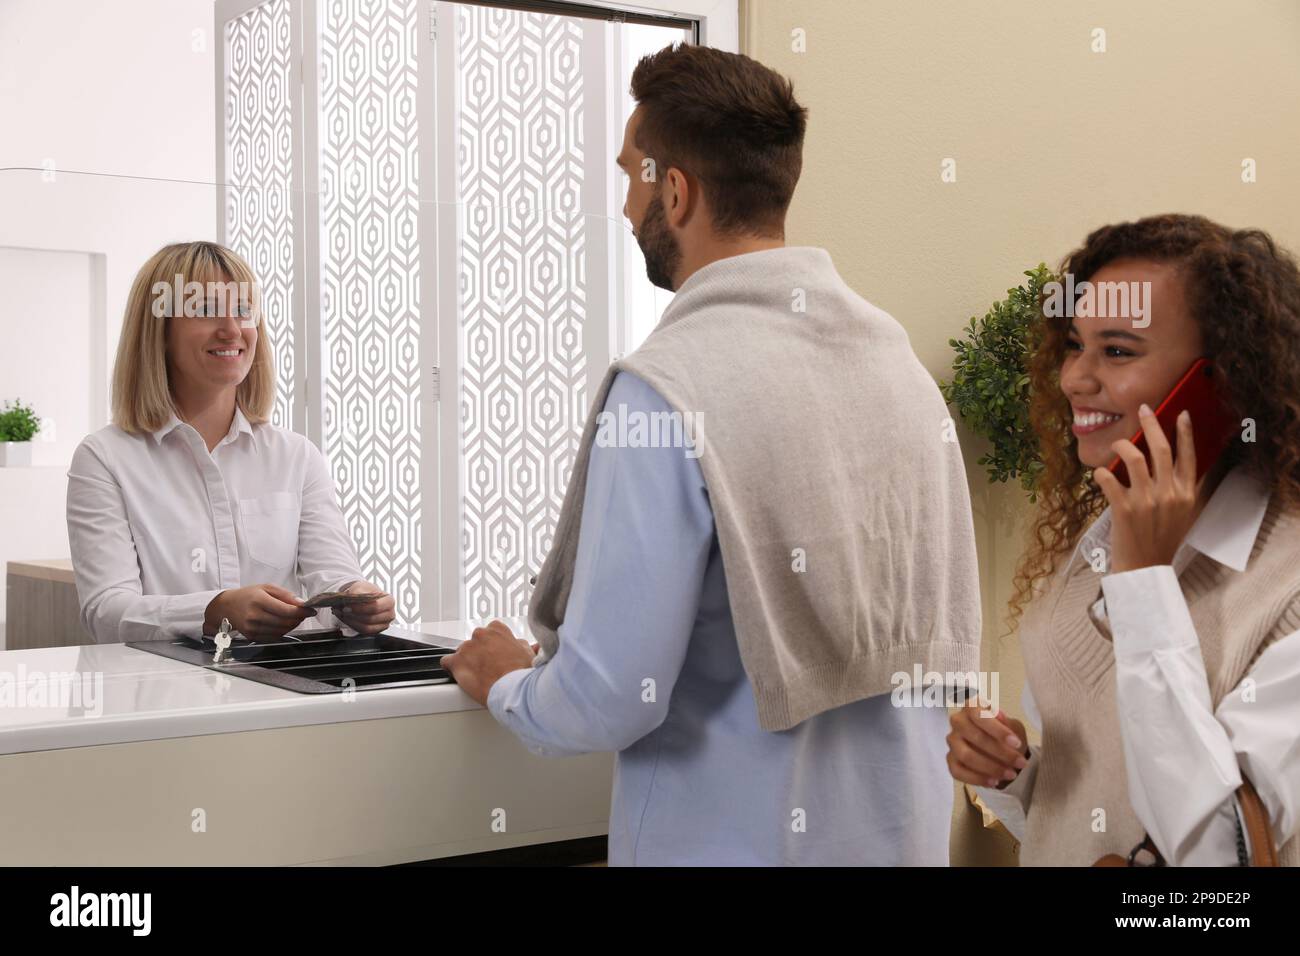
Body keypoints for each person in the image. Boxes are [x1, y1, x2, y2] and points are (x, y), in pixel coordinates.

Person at [442, 43, 981, 865]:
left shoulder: (666, 390)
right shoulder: (896, 366)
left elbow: (610, 695)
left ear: (677, 190)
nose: (626, 209)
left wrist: (510, 682)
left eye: (633, 177)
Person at [948, 214, 1300, 865]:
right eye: (1074, 345)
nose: (1075, 379)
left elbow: (1219, 856)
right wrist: (1014, 770)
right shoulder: (1098, 538)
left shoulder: (1288, 589)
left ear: (1223, 380)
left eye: (1117, 351)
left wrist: (1143, 585)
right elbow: (1094, 800)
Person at [67, 241, 395, 643]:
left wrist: (357, 599)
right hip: (164, 695)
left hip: (285, 691)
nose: (232, 329)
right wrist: (212, 611)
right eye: (205, 310)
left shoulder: (296, 456)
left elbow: (335, 575)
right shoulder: (104, 459)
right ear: (159, 332)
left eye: (243, 310)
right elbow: (106, 612)